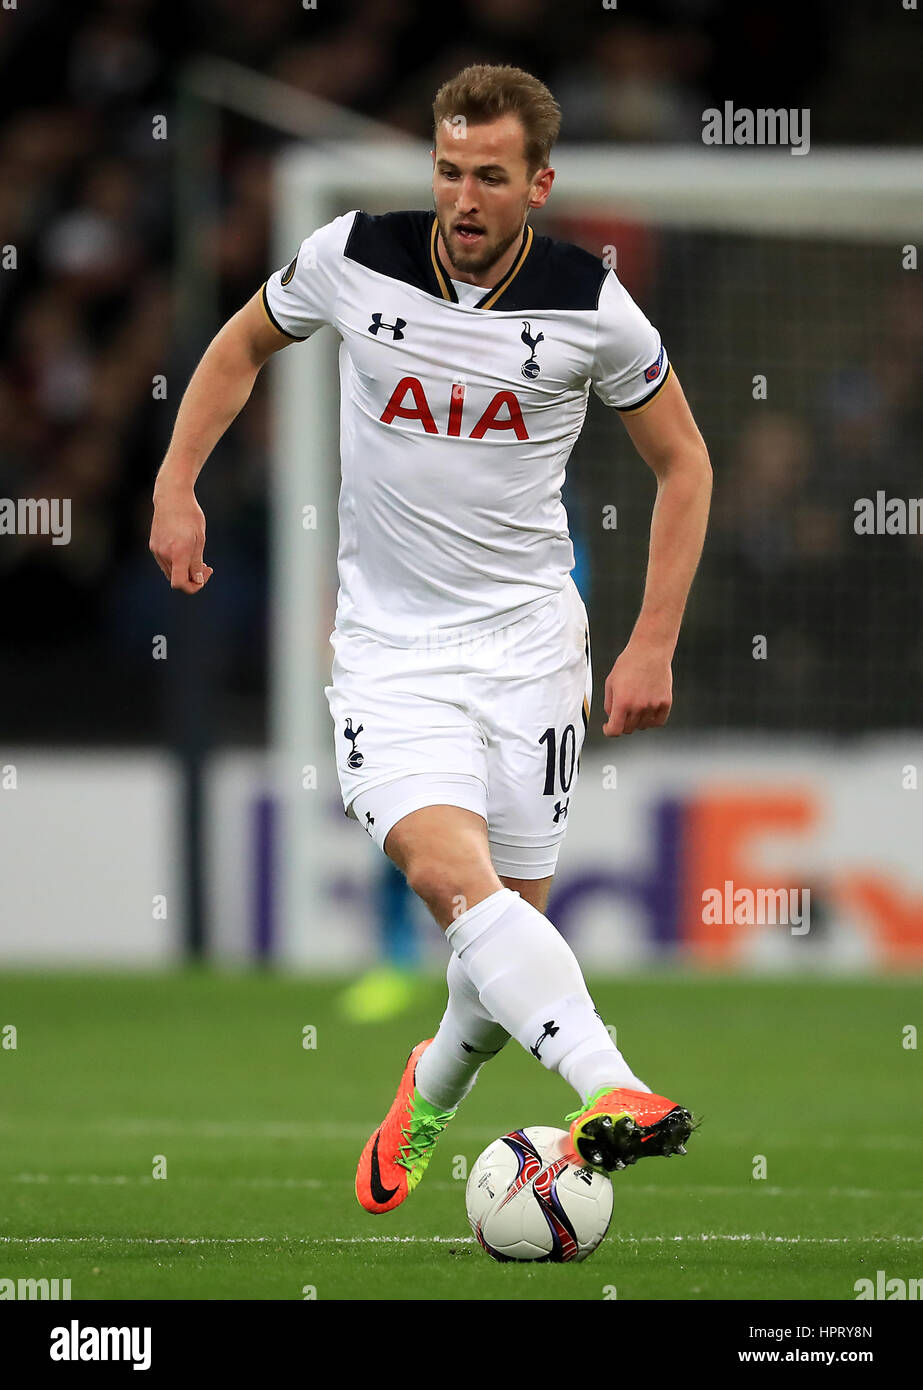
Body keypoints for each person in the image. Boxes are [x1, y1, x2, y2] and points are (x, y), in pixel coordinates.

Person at [149, 64, 712, 1215]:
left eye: (489, 178)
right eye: (448, 171)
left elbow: (683, 462)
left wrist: (652, 641)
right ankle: (614, 1086)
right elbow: (238, 345)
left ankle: (430, 1084)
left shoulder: (590, 306)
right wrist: (176, 482)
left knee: (504, 936)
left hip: (529, 650)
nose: (462, 198)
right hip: (390, 655)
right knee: (453, 883)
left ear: (537, 185)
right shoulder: (352, 253)